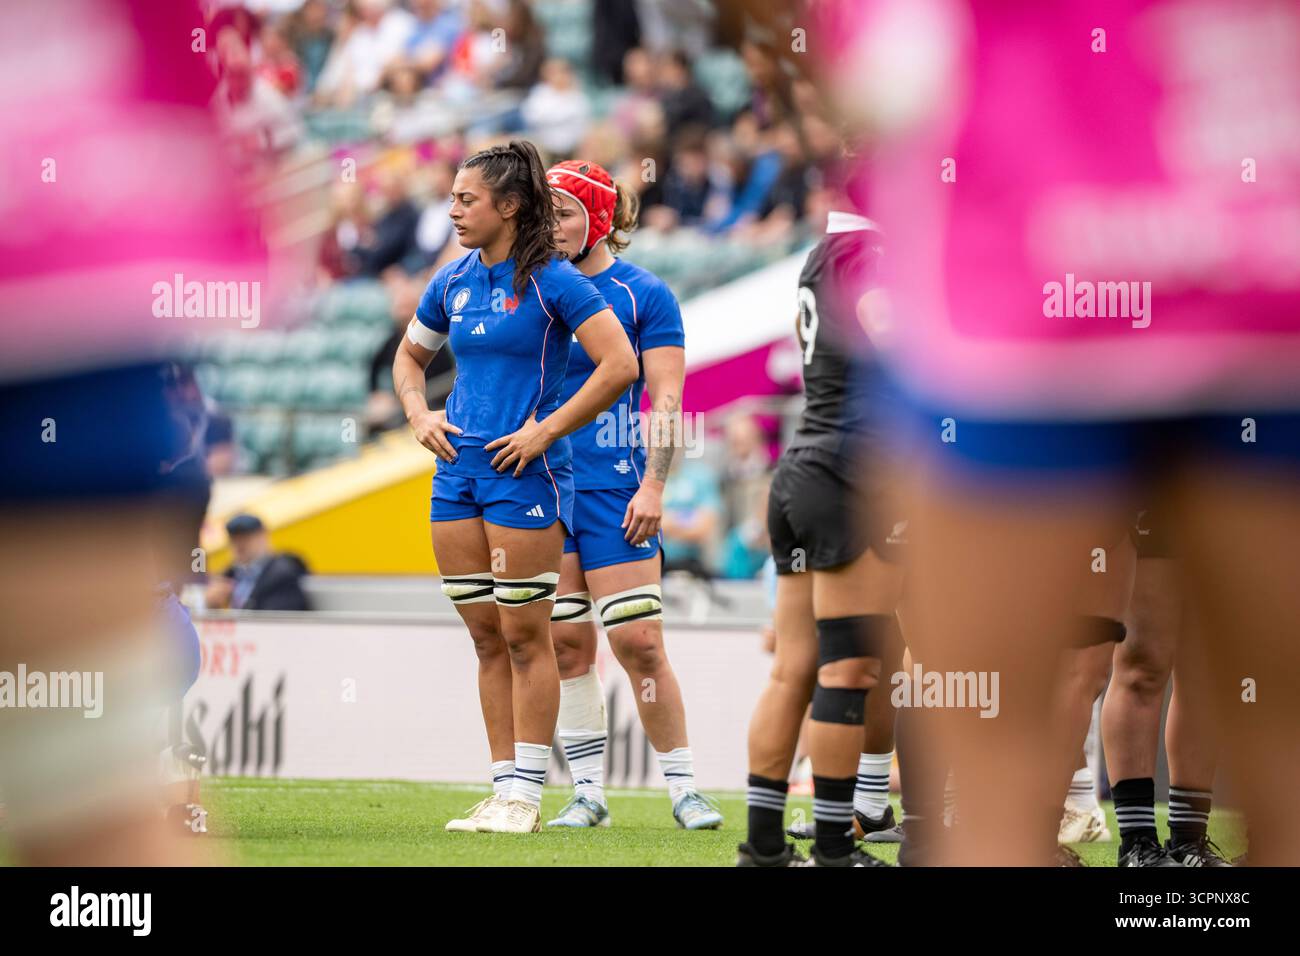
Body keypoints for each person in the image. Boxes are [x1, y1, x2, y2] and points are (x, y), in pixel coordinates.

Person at [393, 140, 638, 834]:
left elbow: (619, 364)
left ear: (508, 206)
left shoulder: (557, 282)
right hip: (456, 475)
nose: (453, 210)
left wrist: (543, 431)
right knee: (484, 636)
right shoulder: (452, 280)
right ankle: (502, 790)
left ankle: (527, 797)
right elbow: (409, 357)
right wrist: (418, 413)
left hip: (525, 477)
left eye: (466, 199)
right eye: (452, 198)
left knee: (528, 636)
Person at [540, 158, 722, 830]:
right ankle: (588, 793)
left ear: (599, 218)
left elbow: (667, 401)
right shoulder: (530, 287)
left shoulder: (645, 294)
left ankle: (683, 788)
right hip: (544, 490)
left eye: (562, 212)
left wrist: (655, 483)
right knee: (565, 644)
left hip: (618, 490)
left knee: (640, 641)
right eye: (545, 212)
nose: (551, 225)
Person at [738, 203, 905, 867]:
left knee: (794, 669)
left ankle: (765, 845)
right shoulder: (873, 253)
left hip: (804, 471)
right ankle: (836, 848)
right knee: (849, 668)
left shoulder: (822, 253)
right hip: (851, 474)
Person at [206, 514, 311, 612]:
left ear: (263, 536)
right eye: (234, 539)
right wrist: (212, 605)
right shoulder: (229, 575)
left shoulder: (284, 573)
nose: (239, 544)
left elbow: (278, 617)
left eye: (246, 538)